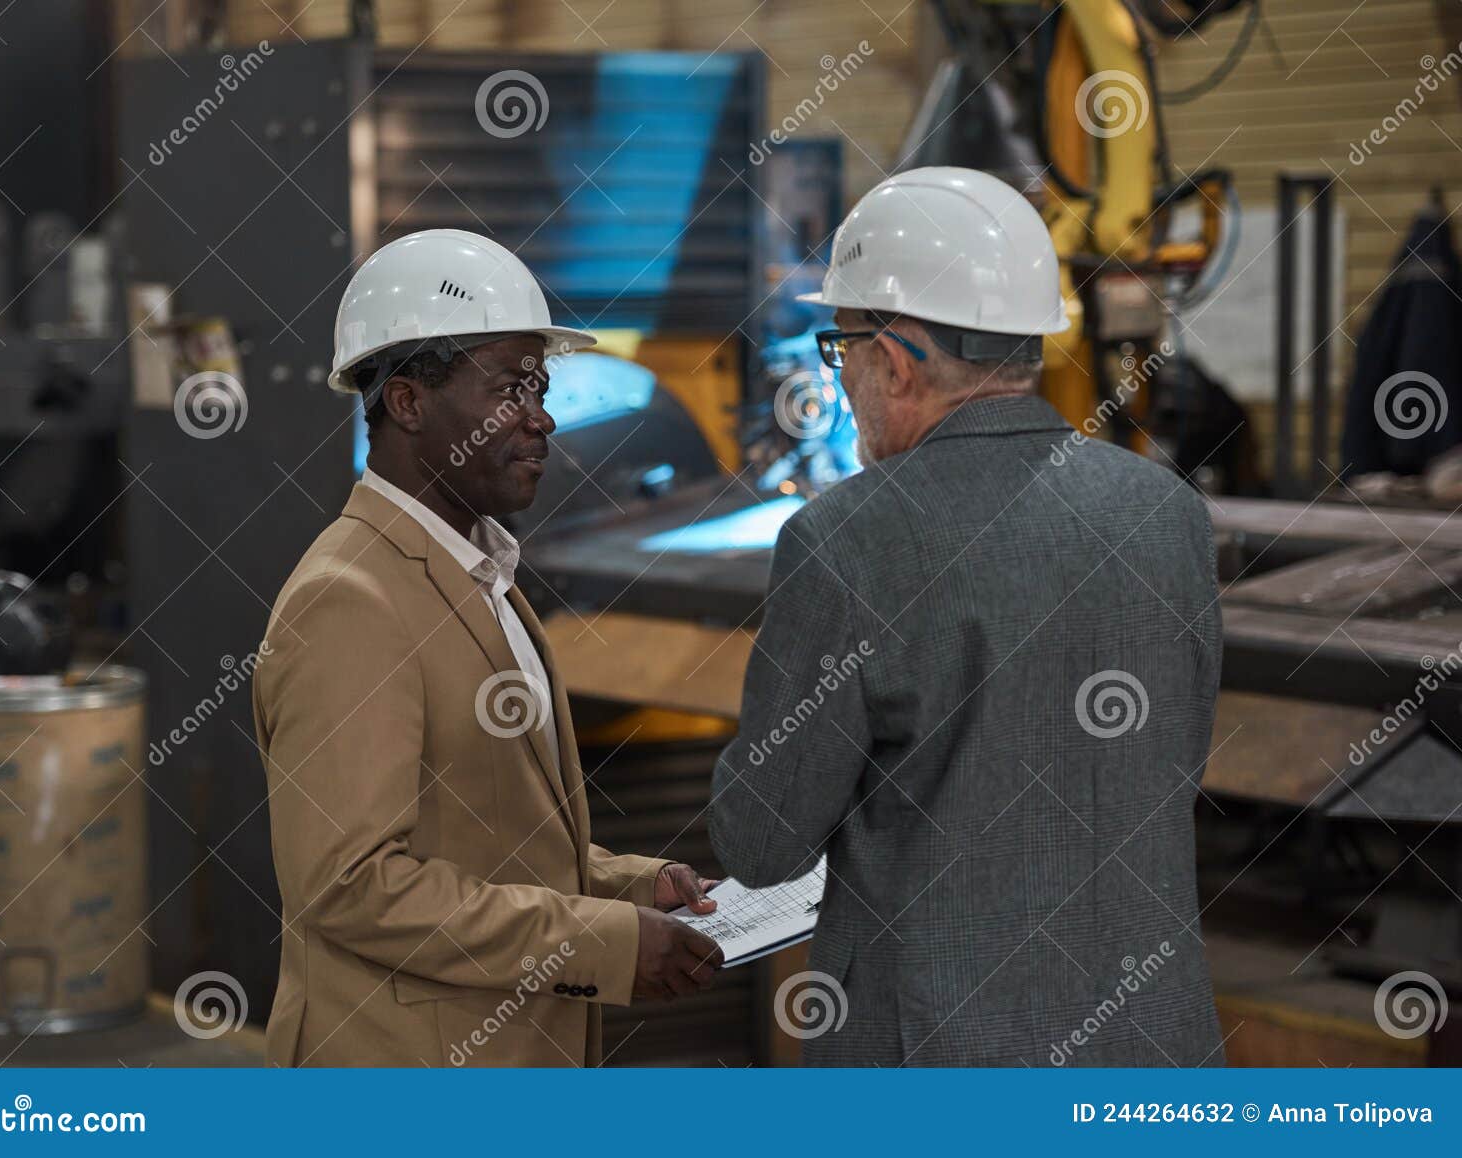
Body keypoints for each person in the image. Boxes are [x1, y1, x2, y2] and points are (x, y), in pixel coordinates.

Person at [709, 168, 1224, 1067]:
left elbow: (761, 840)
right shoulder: (1166, 510)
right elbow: (1166, 765)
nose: (845, 383)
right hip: (1154, 1050)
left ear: (895, 360)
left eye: (842, 353)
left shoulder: (846, 541)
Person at [255, 229, 722, 1067]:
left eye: (539, 385)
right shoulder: (349, 602)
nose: (542, 418)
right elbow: (353, 886)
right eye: (508, 389)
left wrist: (629, 886)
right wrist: (603, 941)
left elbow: (491, 842)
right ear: (407, 402)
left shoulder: (481, 572)